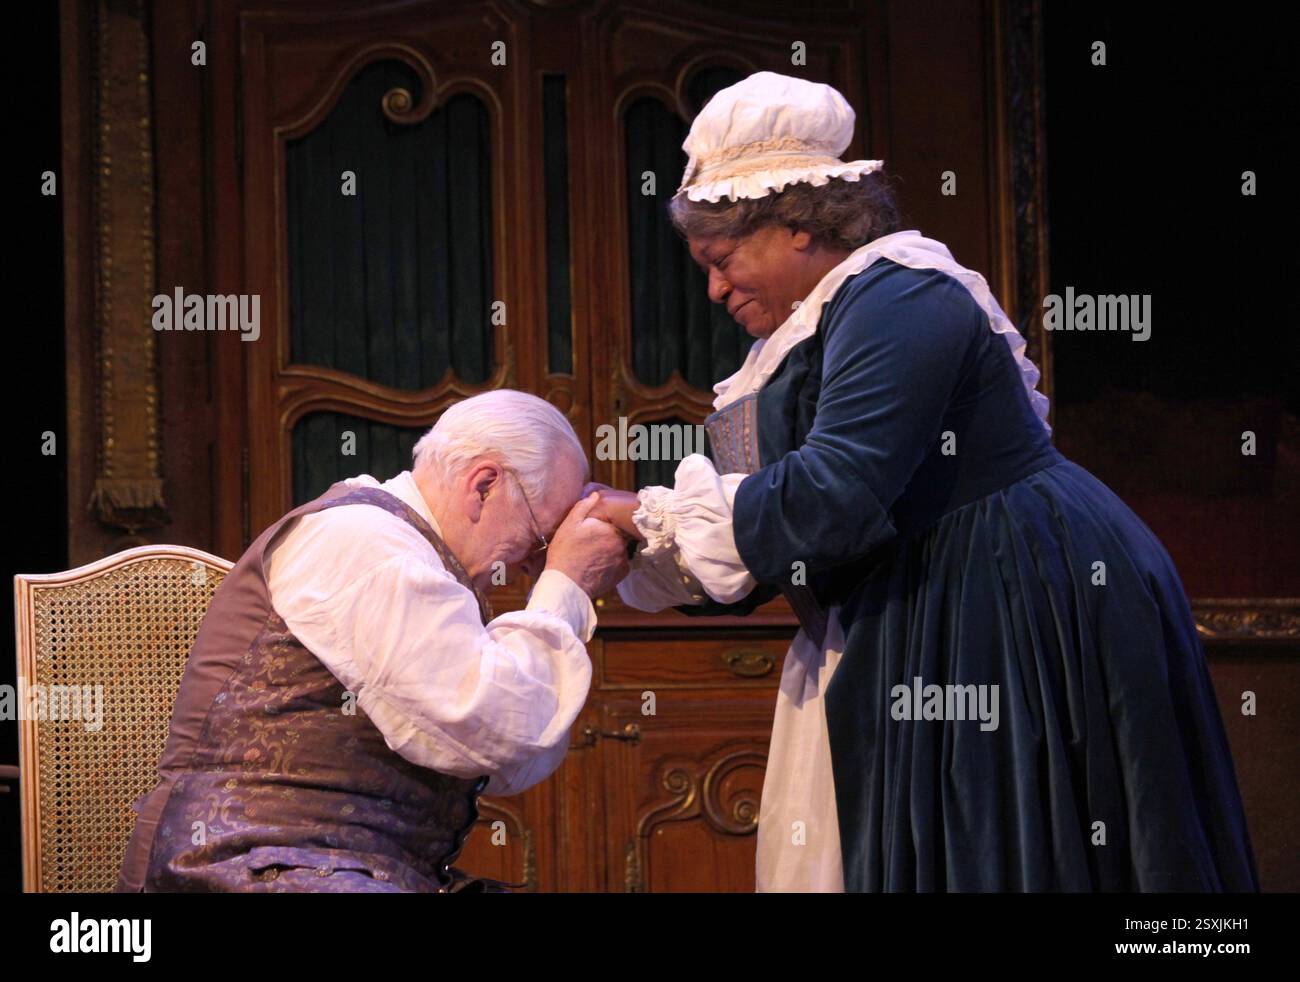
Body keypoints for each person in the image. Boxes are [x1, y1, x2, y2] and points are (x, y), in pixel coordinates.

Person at [594, 71, 1258, 892]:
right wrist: (633, 540)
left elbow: (837, 492)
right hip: (903, 610)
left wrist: (648, 514)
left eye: (724, 260)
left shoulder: (902, 296)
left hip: (1010, 597)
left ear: (798, 224)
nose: (715, 288)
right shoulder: (791, 343)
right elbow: (773, 535)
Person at [116, 389, 629, 892]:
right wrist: (565, 585)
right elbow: (488, 720)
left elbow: (509, 759)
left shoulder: (415, 559)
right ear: (484, 485)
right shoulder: (367, 543)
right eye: (540, 538)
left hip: (346, 869)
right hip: (239, 863)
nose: (530, 564)